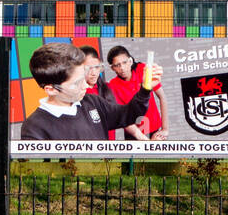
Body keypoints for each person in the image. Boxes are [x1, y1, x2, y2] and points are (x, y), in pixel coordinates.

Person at [19, 41, 161, 140]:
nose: (86, 86)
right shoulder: (34, 128)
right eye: (76, 83)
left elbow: (129, 114)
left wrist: (145, 88)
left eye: (83, 78)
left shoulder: (92, 102)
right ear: (51, 90)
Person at [106, 45, 167, 140]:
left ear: (130, 61)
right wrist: (147, 142)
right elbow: (123, 118)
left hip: (155, 131)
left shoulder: (142, 70)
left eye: (124, 62)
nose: (122, 68)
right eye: (117, 65)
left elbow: (162, 96)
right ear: (112, 68)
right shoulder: (113, 86)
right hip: (134, 135)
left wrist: (165, 129)